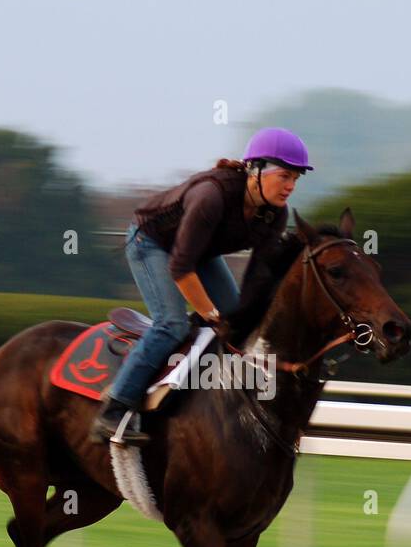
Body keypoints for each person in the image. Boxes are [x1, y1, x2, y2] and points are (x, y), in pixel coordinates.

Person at [90, 127, 313, 445]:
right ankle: (113, 409)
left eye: (296, 179)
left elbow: (257, 278)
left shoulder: (275, 214)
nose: (290, 186)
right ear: (256, 169)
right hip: (150, 243)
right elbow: (180, 267)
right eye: (285, 176)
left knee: (237, 319)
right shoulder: (211, 196)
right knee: (172, 324)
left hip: (198, 252)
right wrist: (208, 312)